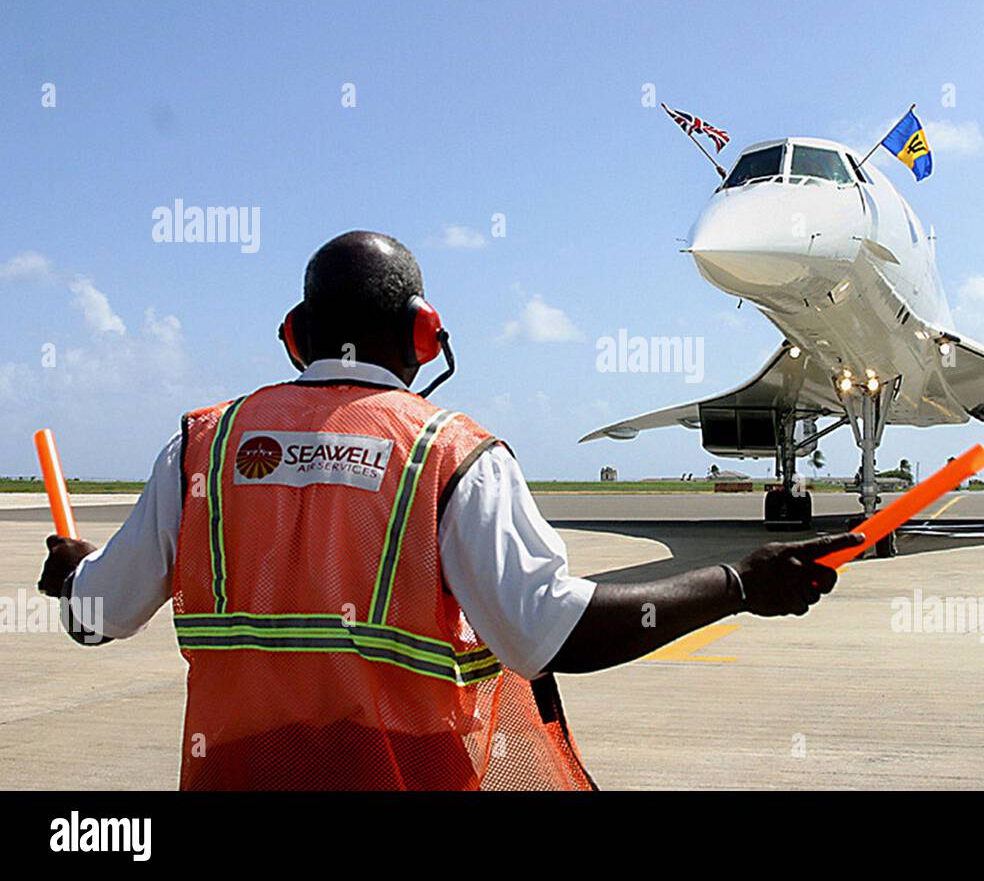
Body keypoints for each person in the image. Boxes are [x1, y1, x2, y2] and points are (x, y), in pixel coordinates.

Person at [36, 230, 861, 790]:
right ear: (426, 333)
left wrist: (75, 576)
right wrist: (737, 584)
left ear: (294, 333)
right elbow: (550, 634)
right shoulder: (452, 454)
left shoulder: (200, 448)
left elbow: (97, 616)